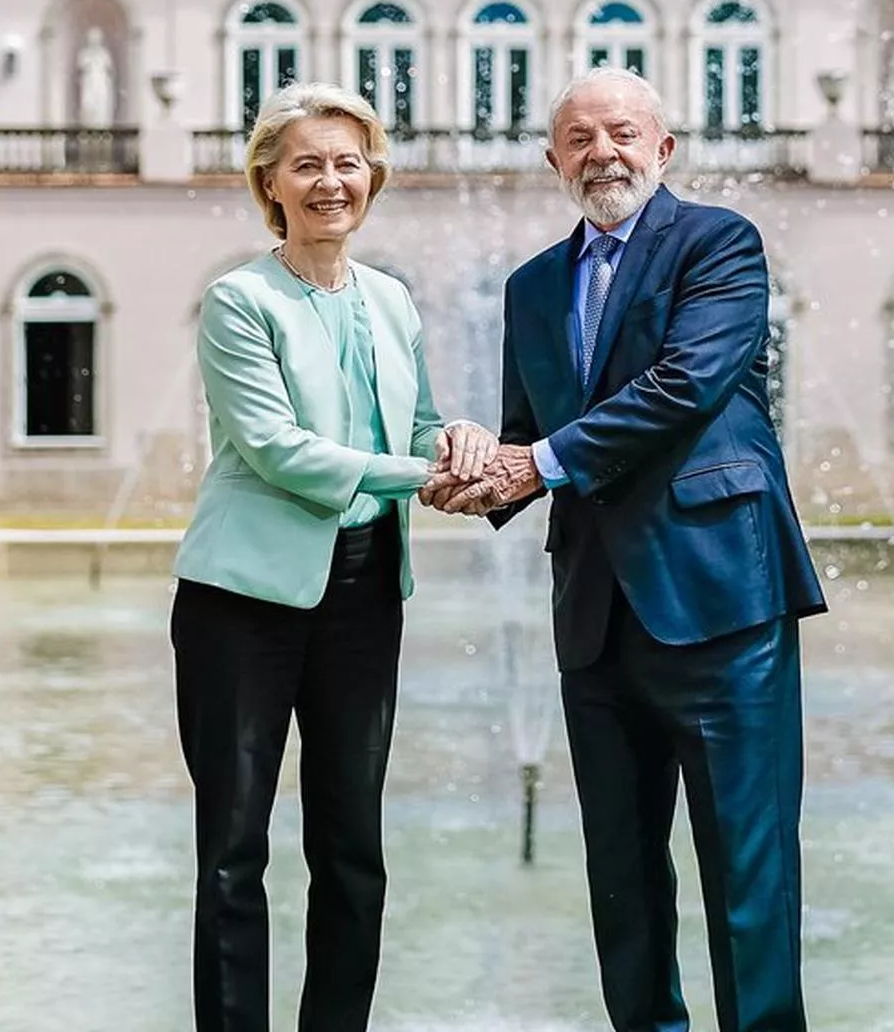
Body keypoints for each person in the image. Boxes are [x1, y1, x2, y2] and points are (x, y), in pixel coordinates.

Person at [424, 71, 825, 1032]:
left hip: (722, 599)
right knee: (622, 878)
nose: (603, 151)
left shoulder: (719, 244)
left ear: (664, 148)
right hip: (596, 617)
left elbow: (685, 385)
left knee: (747, 872)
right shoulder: (529, 289)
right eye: (579, 136)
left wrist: (539, 461)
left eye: (623, 132)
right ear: (552, 158)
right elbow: (530, 437)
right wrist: (472, 480)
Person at [173, 83, 493, 1032]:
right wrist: (416, 472)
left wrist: (465, 451)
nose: (330, 182)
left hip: (363, 596)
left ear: (373, 177)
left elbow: (423, 426)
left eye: (347, 162)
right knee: (233, 849)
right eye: (306, 164)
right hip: (243, 601)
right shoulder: (240, 300)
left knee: (354, 845)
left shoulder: (392, 300)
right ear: (269, 182)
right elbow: (277, 451)